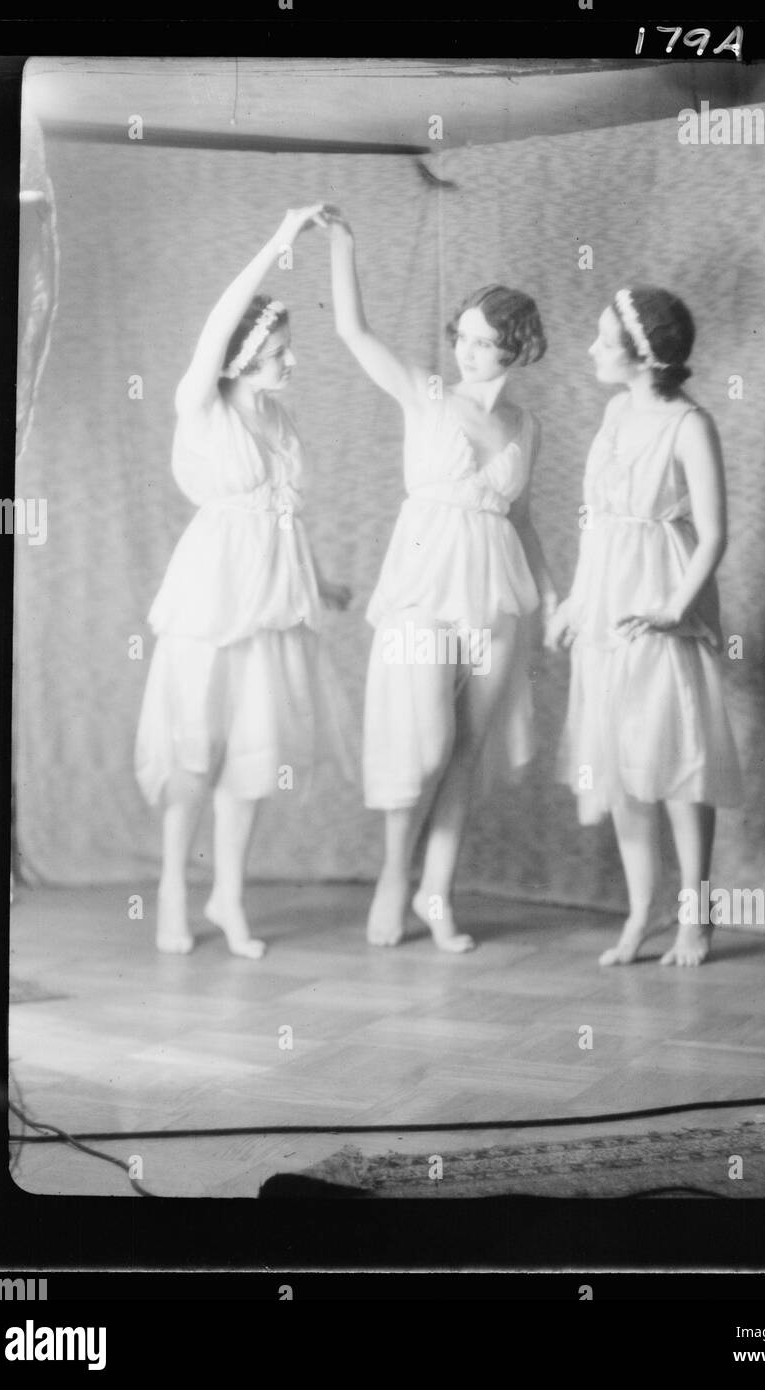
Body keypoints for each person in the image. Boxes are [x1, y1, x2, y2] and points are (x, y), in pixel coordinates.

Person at [321, 207, 557, 952]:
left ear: (516, 349)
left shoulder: (525, 427)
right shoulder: (426, 394)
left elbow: (519, 518)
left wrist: (552, 595)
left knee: (465, 748)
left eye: (485, 341)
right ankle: (396, 874)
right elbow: (353, 333)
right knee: (422, 744)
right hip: (424, 580)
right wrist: (343, 243)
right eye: (462, 335)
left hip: (497, 588)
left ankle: (435, 894)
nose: (467, 350)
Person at [135, 205, 354, 958]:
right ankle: (172, 889)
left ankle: (228, 894)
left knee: (254, 754)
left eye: (289, 351)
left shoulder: (282, 422)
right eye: (276, 354)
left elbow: (284, 516)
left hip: (277, 604)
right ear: (235, 360)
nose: (290, 362)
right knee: (197, 749)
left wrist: (320, 585)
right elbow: (216, 325)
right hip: (212, 600)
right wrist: (278, 242)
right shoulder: (200, 409)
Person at [547, 286, 743, 967]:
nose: (592, 350)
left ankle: (694, 914)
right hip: (605, 596)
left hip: (659, 597)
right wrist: (574, 600)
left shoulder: (689, 425)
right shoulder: (611, 410)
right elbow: (594, 519)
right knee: (618, 765)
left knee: (676, 761)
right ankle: (640, 913)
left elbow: (714, 533)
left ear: (643, 355)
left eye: (604, 340)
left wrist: (674, 607)